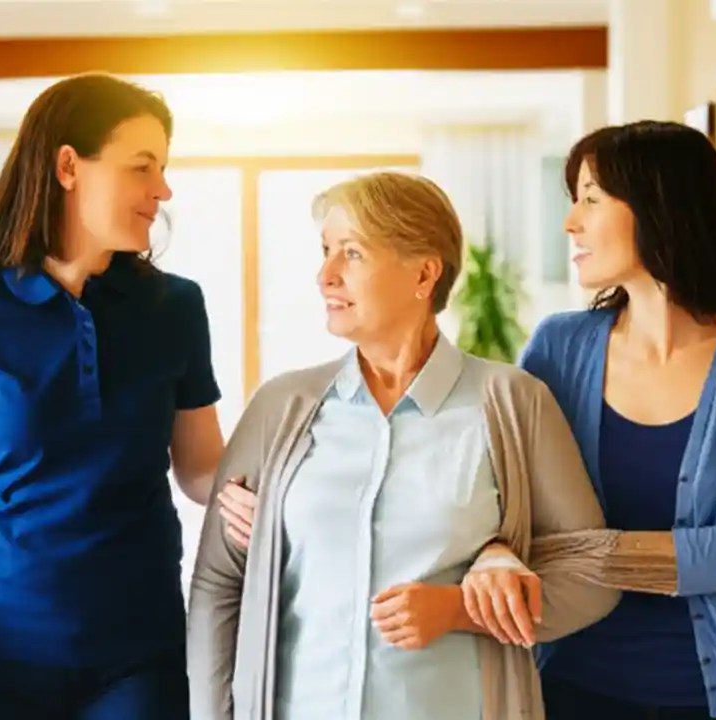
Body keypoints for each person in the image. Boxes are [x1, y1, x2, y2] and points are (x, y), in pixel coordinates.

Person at [188, 171, 629, 720]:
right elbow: (218, 584)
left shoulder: (513, 403)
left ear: (424, 273)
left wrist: (458, 608)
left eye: (351, 254)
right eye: (325, 252)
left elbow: (592, 576)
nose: (325, 275)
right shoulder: (280, 408)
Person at [0, 72, 234, 720]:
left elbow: (200, 466)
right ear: (67, 166)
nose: (162, 190)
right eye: (142, 167)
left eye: (163, 168)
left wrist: (271, 482)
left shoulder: (175, 307)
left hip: (138, 648)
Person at [469, 120, 716, 720]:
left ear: (659, 206)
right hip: (572, 690)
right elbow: (499, 498)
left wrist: (586, 557)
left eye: (592, 200)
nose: (571, 222)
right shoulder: (556, 348)